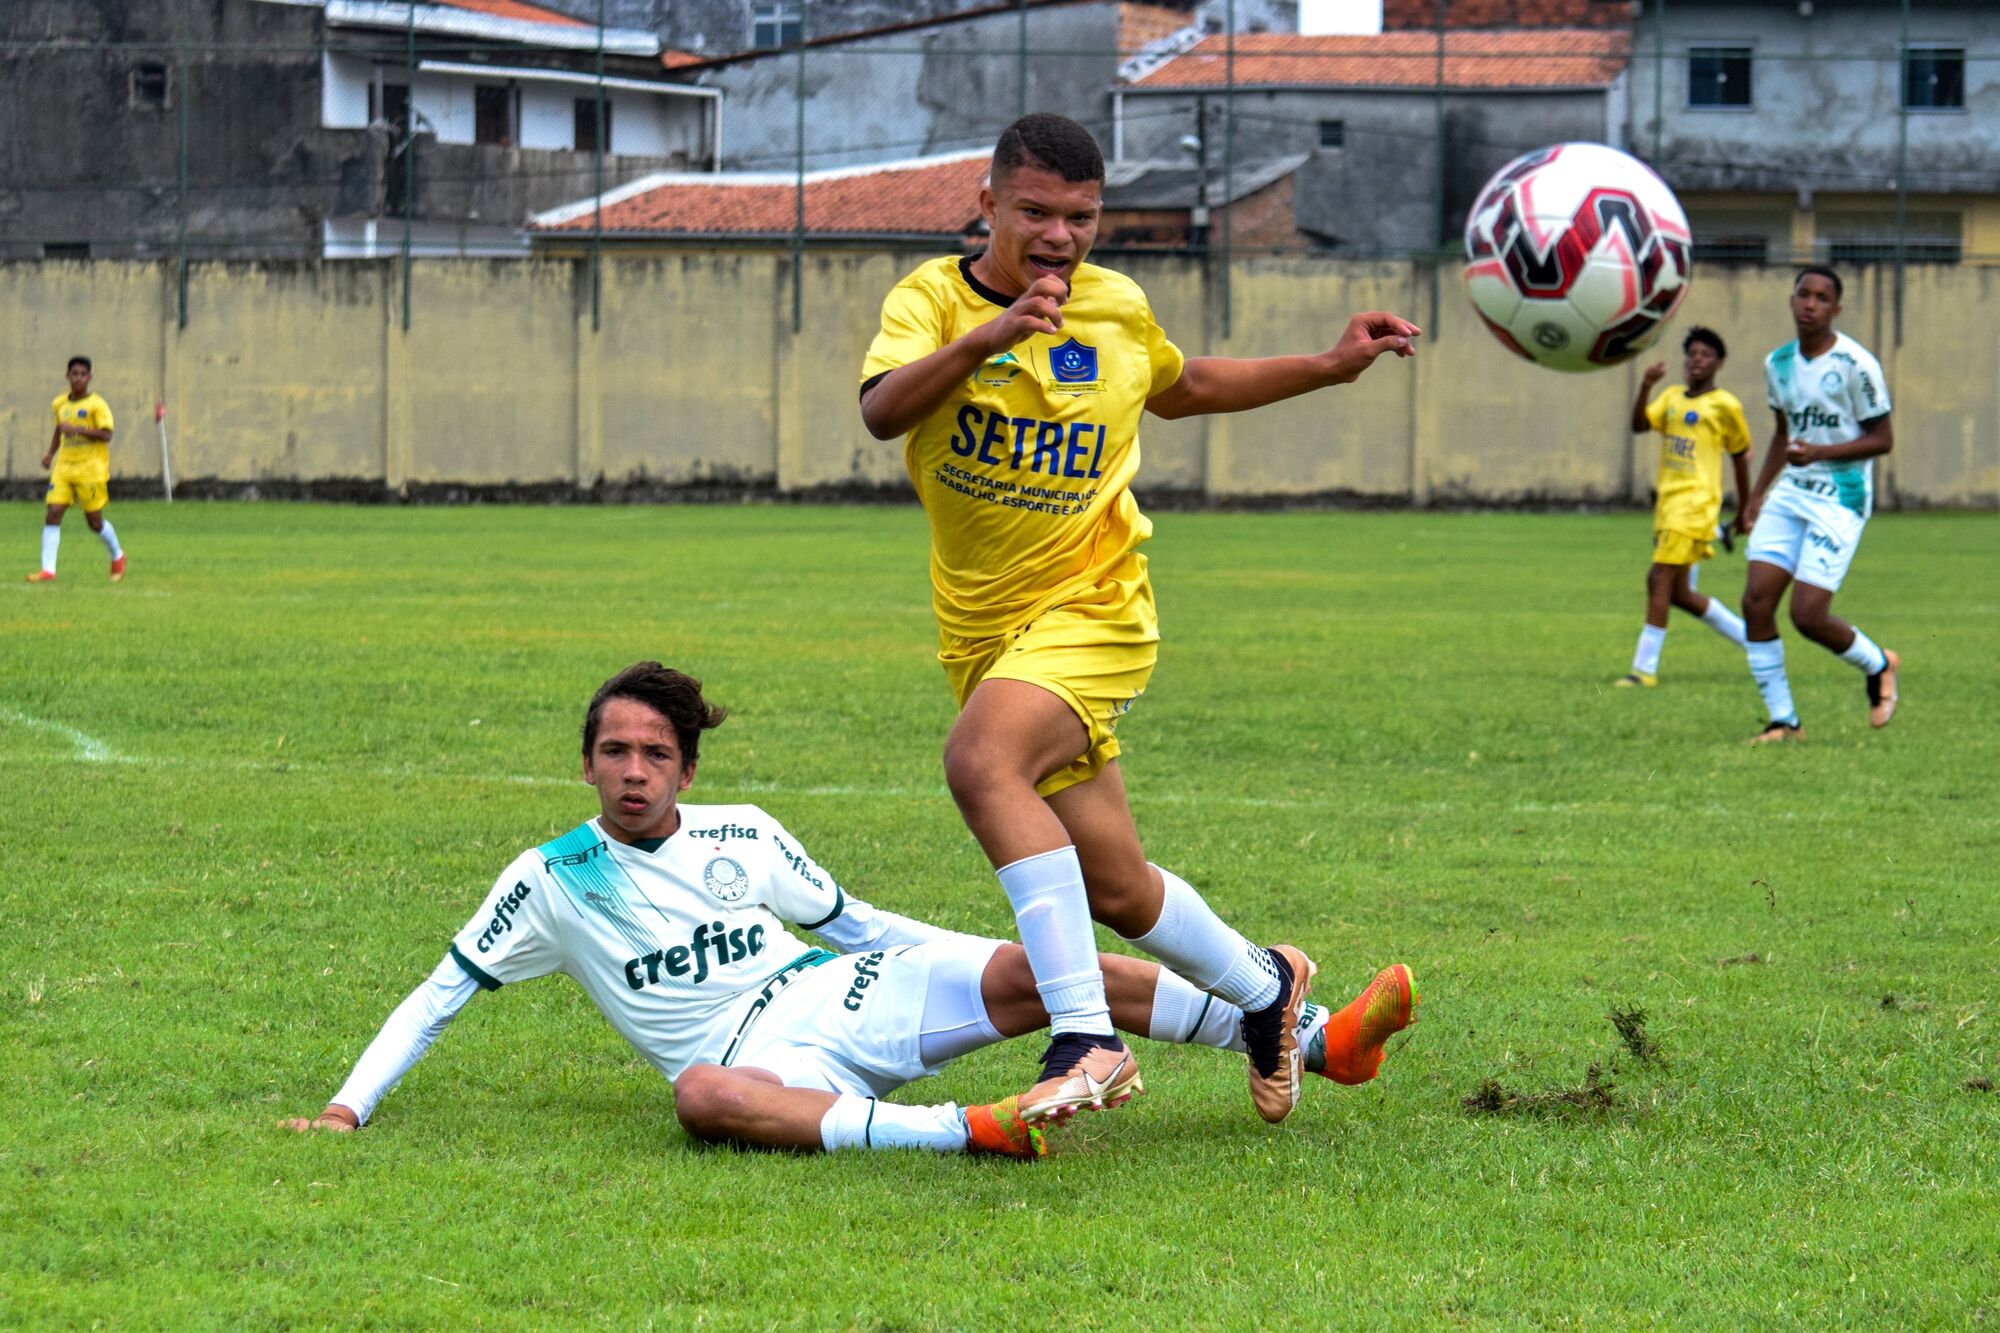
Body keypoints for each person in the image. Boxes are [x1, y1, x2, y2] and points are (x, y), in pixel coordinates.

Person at [856, 112, 1420, 1126]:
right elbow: (882, 408)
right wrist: (988, 336)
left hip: (1095, 606)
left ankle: (1085, 1037)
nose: (1059, 236)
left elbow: (1186, 384)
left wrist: (1327, 367)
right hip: (986, 632)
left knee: (980, 763)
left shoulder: (1114, 308)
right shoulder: (929, 300)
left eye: (1080, 217)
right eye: (1034, 211)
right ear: (986, 204)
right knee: (1115, 884)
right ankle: (1269, 994)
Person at [285, 663, 1419, 1160]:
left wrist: (990, 955)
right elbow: (435, 999)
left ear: (684, 767)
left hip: (836, 993)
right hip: (753, 1057)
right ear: (585, 765)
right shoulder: (546, 879)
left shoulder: (744, 832)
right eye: (613, 752)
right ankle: (980, 1130)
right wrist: (344, 1112)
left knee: (1048, 959)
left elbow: (857, 927)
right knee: (695, 1098)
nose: (633, 770)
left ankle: (1318, 1044)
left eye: (654, 753)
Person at [1737, 267, 1899, 744]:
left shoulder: (1856, 365)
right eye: (1803, 294)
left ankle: (1878, 664)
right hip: (1793, 489)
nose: (1810, 304)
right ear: (1791, 301)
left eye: (1821, 298)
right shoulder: (1778, 364)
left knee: (1807, 615)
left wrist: (1821, 454)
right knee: (1756, 601)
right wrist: (1755, 496)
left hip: (1842, 494)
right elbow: (1783, 437)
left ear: (1836, 309)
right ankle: (1784, 721)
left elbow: (1883, 440)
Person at [1615, 327, 1753, 688]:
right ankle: (1753, 641)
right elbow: (1639, 425)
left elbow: (1741, 457)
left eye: (1705, 354)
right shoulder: (1672, 397)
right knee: (1679, 593)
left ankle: (1643, 670)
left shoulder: (1726, 405)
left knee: (1657, 577)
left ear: (1719, 363)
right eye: (1692, 353)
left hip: (1696, 504)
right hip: (1669, 503)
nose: (1697, 360)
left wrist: (1745, 508)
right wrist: (1646, 384)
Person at [27, 356, 126, 584]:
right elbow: (60, 429)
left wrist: (79, 430)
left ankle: (118, 556)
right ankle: (48, 571)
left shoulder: (97, 405)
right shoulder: (59, 403)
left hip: (90, 471)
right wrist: (50, 454)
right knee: (52, 513)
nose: (78, 378)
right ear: (67, 376)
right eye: (74, 373)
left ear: (89, 378)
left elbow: (106, 435)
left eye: (83, 374)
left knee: (94, 522)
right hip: (64, 468)